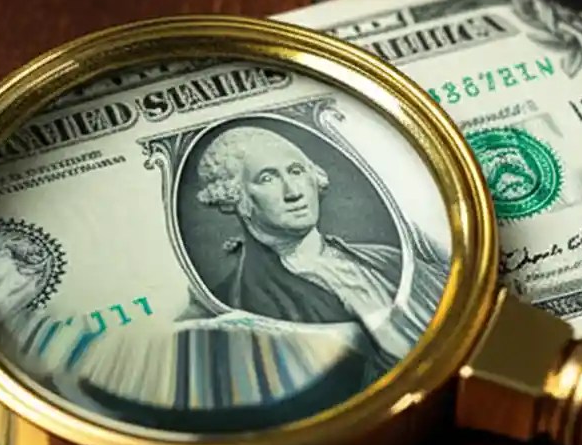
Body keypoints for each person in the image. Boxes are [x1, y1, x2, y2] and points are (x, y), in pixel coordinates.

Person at [189, 121, 451, 364]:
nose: (294, 192)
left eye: (296, 171)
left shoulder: (389, 259)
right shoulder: (236, 305)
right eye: (267, 179)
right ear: (237, 198)